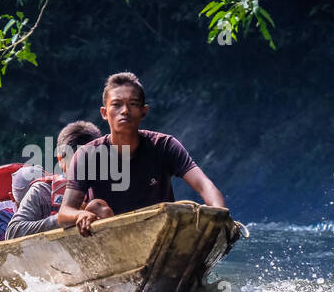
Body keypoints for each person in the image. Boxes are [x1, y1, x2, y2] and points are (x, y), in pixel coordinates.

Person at [56, 72, 225, 236]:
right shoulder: (88, 155)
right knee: (96, 206)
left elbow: (204, 185)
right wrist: (80, 215)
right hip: (109, 236)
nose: (125, 111)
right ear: (104, 113)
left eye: (133, 104)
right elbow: (65, 213)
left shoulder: (164, 145)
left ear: (144, 111)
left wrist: (220, 214)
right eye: (116, 104)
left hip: (162, 234)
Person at [4, 120, 111, 239]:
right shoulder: (43, 191)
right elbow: (13, 232)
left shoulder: (109, 186)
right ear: (61, 160)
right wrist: (66, 218)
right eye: (77, 167)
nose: (83, 175)